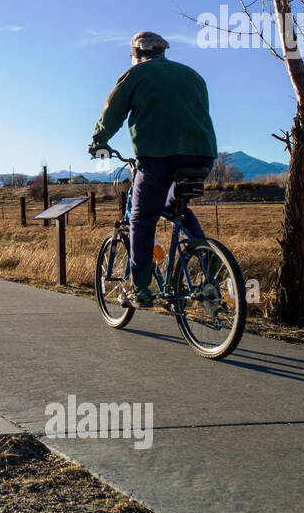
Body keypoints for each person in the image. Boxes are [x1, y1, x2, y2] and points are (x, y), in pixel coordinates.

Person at [88, 31, 217, 308]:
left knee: (142, 218)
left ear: (136, 54)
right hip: (202, 155)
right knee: (174, 207)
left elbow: (113, 112)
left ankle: (141, 289)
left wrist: (99, 141)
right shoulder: (193, 75)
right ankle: (206, 256)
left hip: (159, 157)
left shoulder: (135, 74)